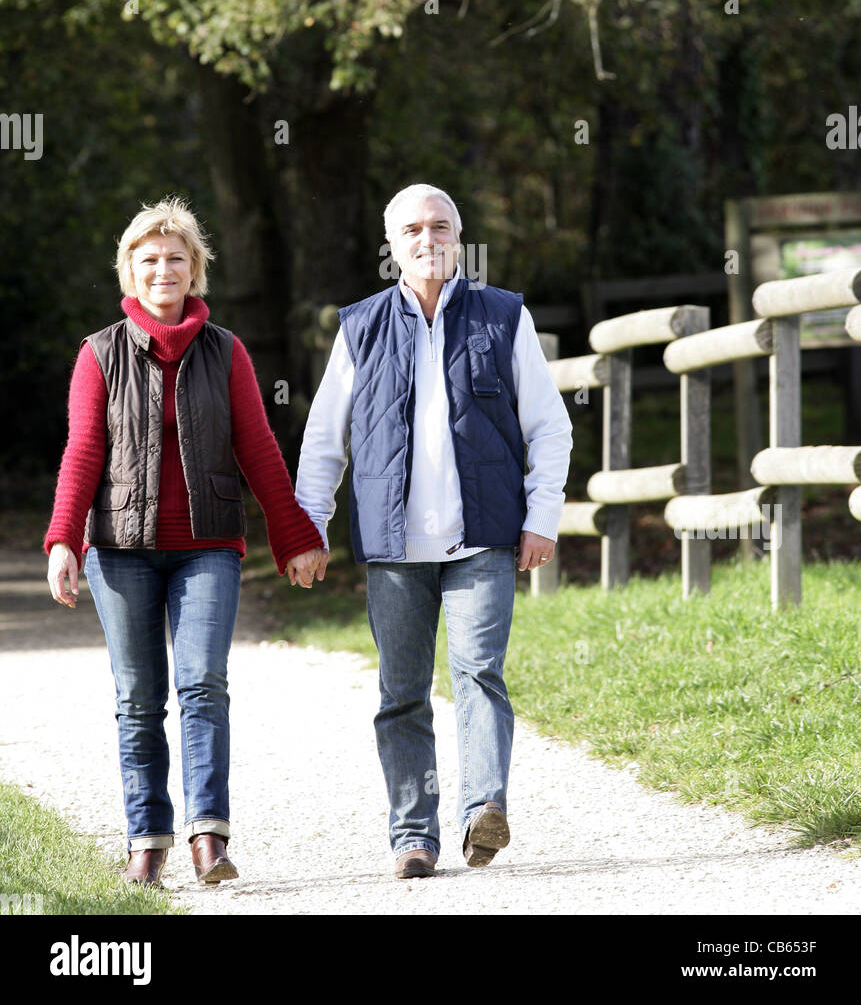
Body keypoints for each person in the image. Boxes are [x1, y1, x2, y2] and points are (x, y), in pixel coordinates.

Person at [45, 196, 324, 888]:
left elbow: (257, 446)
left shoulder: (226, 351)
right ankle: (147, 840)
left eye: (175, 258)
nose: (162, 269)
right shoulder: (98, 354)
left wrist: (293, 535)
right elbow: (83, 451)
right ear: (130, 273)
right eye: (149, 260)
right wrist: (64, 542)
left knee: (203, 682)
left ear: (194, 270)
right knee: (138, 696)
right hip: (120, 550)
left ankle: (209, 837)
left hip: (208, 546)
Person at [295, 183, 572, 876]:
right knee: (402, 692)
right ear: (391, 244)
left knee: (480, 672)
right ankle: (414, 836)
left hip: (483, 536)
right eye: (412, 229)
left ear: (459, 235)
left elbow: (549, 426)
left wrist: (541, 519)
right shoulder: (359, 327)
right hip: (394, 550)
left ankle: (484, 812)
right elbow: (325, 439)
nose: (428, 238)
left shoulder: (503, 315)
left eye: (440, 226)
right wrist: (309, 527)